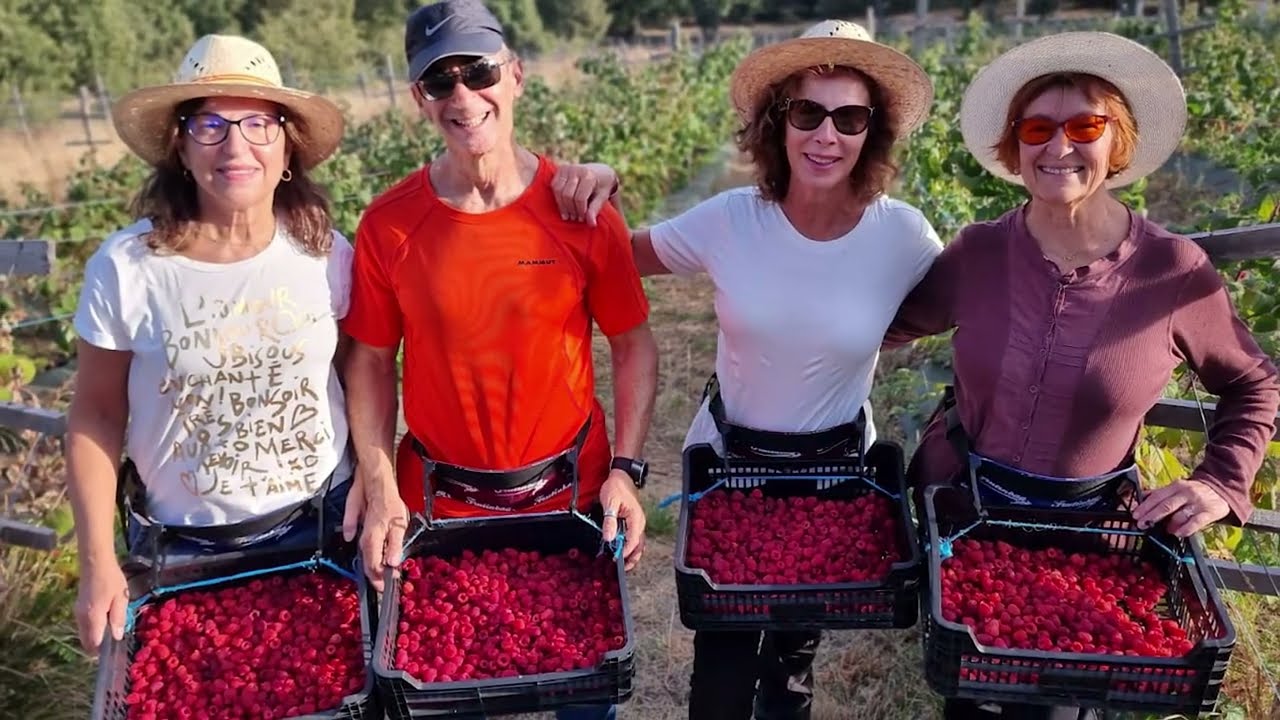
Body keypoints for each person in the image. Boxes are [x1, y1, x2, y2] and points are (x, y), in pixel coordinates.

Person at [884, 31, 1280, 720]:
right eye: (1037, 128)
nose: (1058, 145)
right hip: (969, 521)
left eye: (1086, 127)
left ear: (1117, 141)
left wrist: (1221, 481)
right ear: (1015, 147)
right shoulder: (979, 252)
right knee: (967, 695)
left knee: (1059, 707)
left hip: (1090, 543)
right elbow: (874, 327)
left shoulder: (1171, 270)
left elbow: (1253, 382)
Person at [559, 19, 942, 720]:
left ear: (873, 132)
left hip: (834, 476)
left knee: (793, 663)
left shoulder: (903, 235)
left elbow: (959, 303)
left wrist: (883, 334)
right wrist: (604, 185)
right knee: (723, 665)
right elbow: (617, 257)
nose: (826, 135)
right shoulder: (732, 220)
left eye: (849, 118)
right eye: (807, 112)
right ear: (778, 121)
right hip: (731, 466)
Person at [342, 2, 657, 718]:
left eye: (478, 71)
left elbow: (633, 342)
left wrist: (627, 470)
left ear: (515, 76)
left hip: (570, 498)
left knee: (584, 693)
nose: (463, 96)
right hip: (440, 508)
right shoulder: (390, 225)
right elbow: (370, 360)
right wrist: (379, 478)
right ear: (420, 99)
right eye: (439, 81)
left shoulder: (581, 211)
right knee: (449, 686)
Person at [66, 34, 354, 655]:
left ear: (286, 147)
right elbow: (95, 415)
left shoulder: (324, 253)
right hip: (182, 549)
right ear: (181, 146)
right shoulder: (129, 268)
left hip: (324, 526)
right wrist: (97, 563)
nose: (235, 145)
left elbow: (360, 378)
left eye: (258, 123)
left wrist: (377, 488)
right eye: (209, 125)